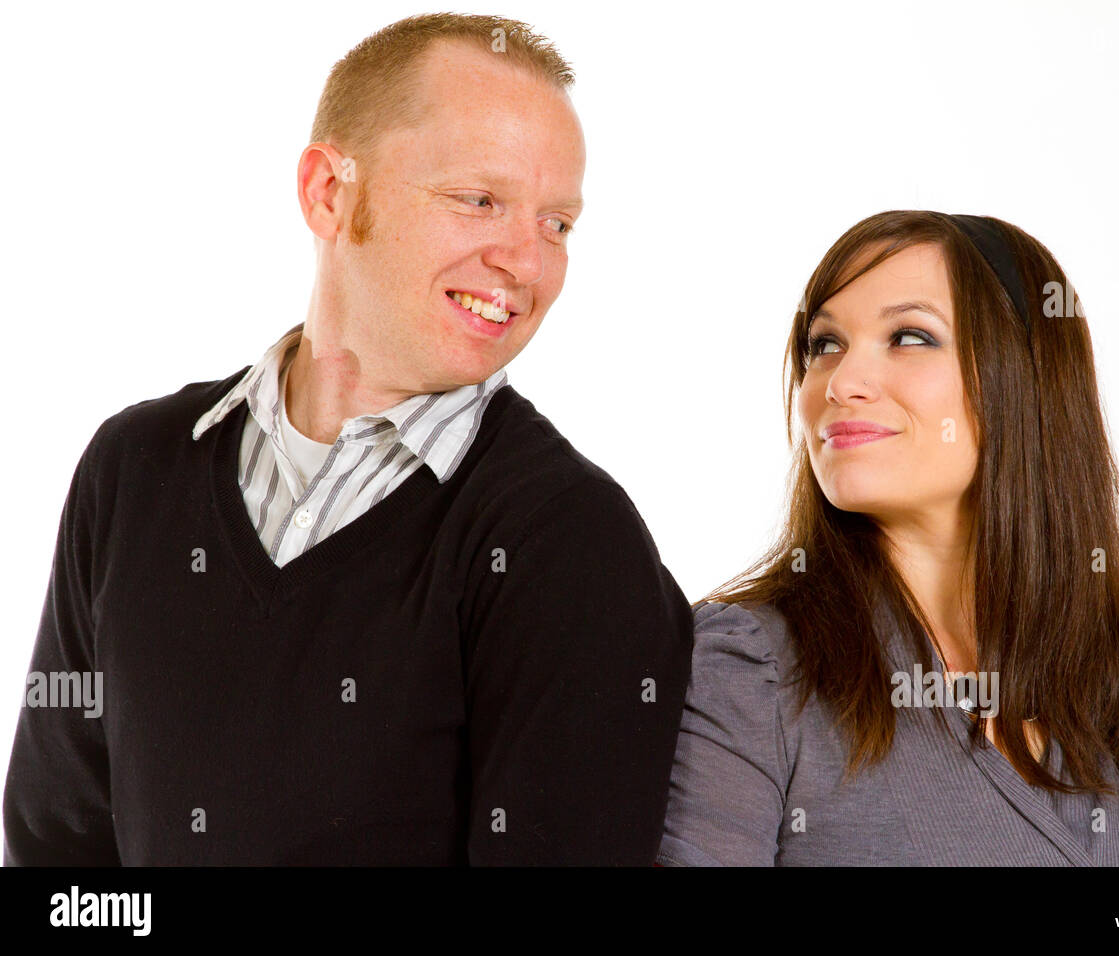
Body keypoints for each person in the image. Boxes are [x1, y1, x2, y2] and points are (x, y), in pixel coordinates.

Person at [3, 13, 692, 866]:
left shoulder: (571, 541)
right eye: (480, 200)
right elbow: (58, 854)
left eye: (558, 223)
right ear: (329, 191)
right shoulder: (134, 467)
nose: (529, 262)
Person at [656, 210, 1119, 866]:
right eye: (823, 344)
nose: (840, 383)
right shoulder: (755, 675)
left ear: (1024, 380)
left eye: (909, 337)